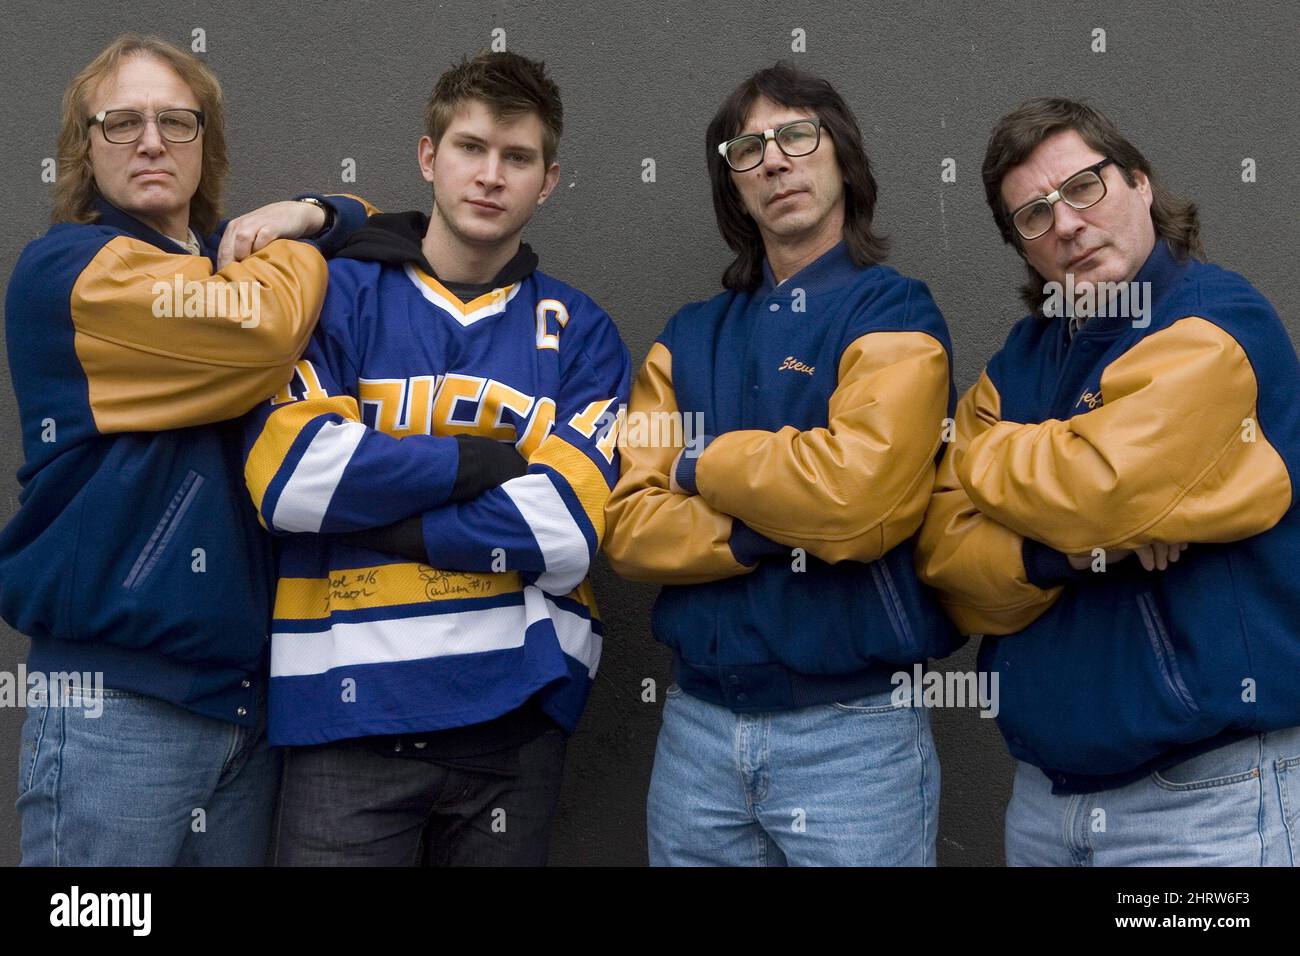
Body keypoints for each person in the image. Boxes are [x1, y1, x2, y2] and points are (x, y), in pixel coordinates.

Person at [242, 50, 630, 866]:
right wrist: (479, 466)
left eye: (517, 158)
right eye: (470, 147)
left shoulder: (583, 333)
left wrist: (379, 516)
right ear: (429, 157)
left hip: (511, 727)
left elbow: (564, 532)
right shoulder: (336, 294)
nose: (491, 175)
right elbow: (292, 479)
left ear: (547, 179)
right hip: (345, 721)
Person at [1, 33, 371, 866]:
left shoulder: (226, 265)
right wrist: (305, 235)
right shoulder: (72, 272)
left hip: (246, 710)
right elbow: (265, 327)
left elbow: (389, 229)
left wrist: (307, 212)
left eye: (177, 120)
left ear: (207, 146)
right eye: (122, 122)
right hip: (121, 710)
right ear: (83, 148)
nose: (152, 140)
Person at [916, 97, 1300, 866]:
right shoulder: (1019, 360)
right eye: (1032, 215)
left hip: (1205, 804)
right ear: (1024, 248)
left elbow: (1104, 488)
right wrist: (1061, 553)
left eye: (1084, 187)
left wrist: (983, 457)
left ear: (1141, 184)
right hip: (1044, 805)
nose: (1064, 224)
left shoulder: (1215, 323)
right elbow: (943, 558)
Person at [603, 62, 962, 866]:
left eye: (797, 136)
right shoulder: (687, 335)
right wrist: (769, 532)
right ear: (732, 187)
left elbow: (856, 500)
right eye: (747, 148)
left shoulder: (894, 311)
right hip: (696, 733)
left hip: (856, 738)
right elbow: (628, 529)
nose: (774, 160)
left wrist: (698, 467)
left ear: (843, 159)